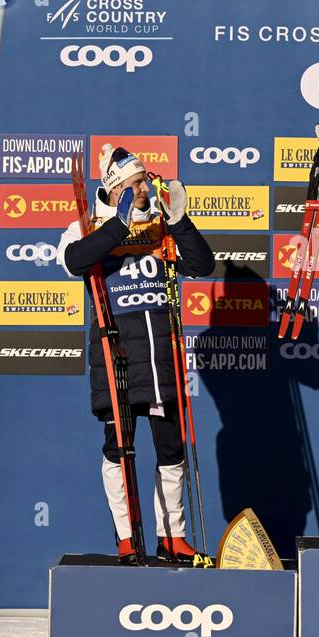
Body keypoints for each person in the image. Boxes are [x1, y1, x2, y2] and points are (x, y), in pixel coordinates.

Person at [57, 147, 215, 566]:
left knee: (171, 449)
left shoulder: (159, 226)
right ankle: (127, 538)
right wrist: (119, 226)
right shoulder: (86, 227)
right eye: (134, 184)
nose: (143, 189)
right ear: (113, 188)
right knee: (120, 449)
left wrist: (179, 220)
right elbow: (74, 261)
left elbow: (203, 265)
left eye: (145, 181)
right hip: (117, 357)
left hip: (162, 355)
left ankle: (172, 537)